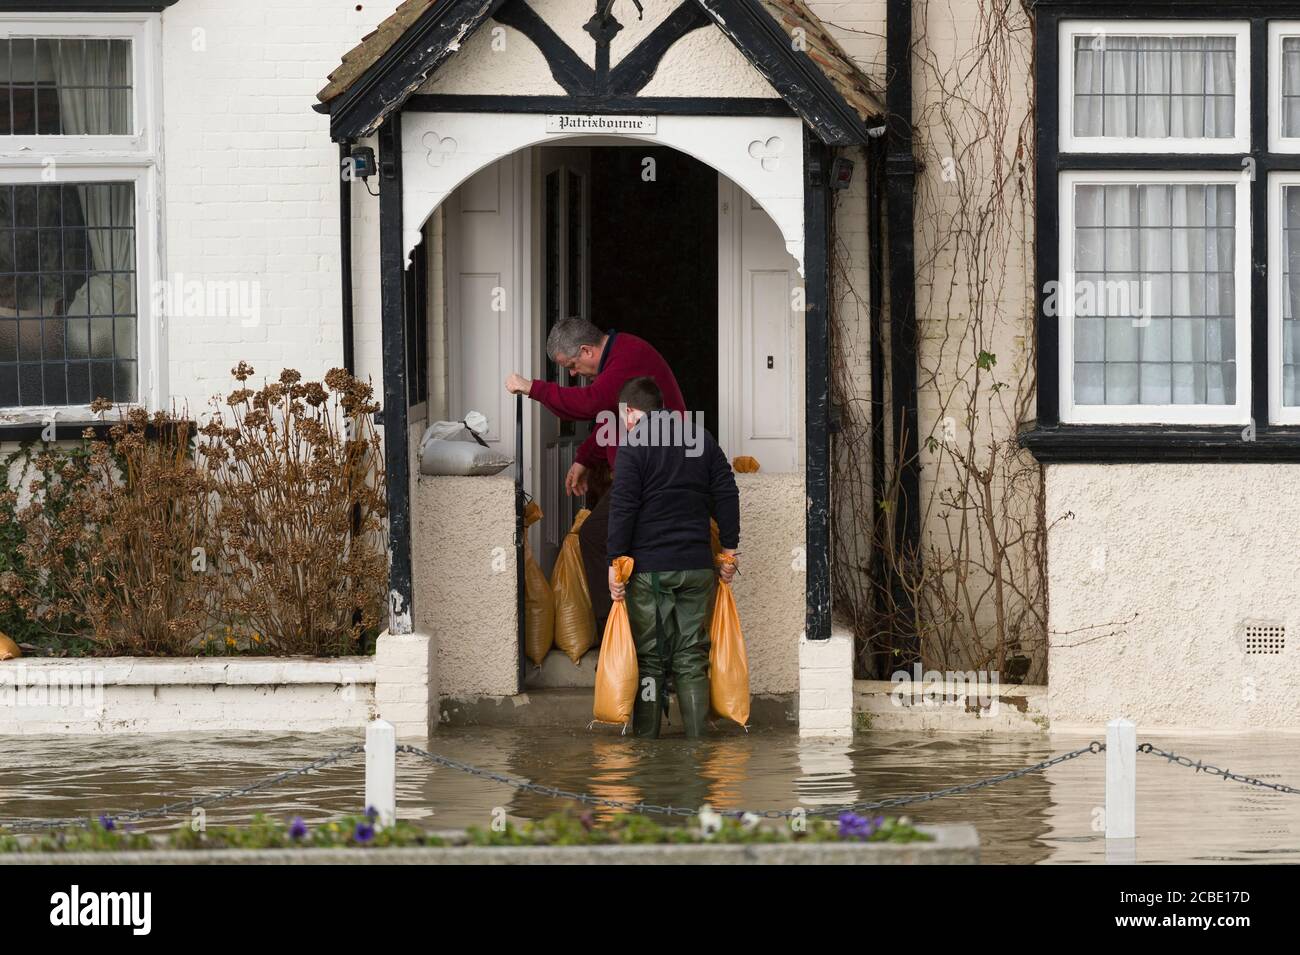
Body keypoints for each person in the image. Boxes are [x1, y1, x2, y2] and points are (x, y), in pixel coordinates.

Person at [505, 318, 686, 635]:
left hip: (653, 475)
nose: (572, 374)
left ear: (587, 350)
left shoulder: (626, 358)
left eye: (571, 365)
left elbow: (590, 404)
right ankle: (636, 633)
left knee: (596, 537)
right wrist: (584, 459)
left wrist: (532, 388)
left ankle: (616, 631)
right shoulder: (621, 354)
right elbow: (611, 418)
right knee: (622, 543)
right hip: (647, 473)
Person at [605, 376, 739, 739]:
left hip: (651, 573)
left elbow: (623, 507)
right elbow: (727, 490)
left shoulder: (634, 445)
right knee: (692, 658)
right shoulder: (699, 438)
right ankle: (698, 747)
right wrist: (728, 550)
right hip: (697, 567)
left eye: (624, 416)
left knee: (651, 661)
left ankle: (648, 751)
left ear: (631, 412)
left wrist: (615, 561)